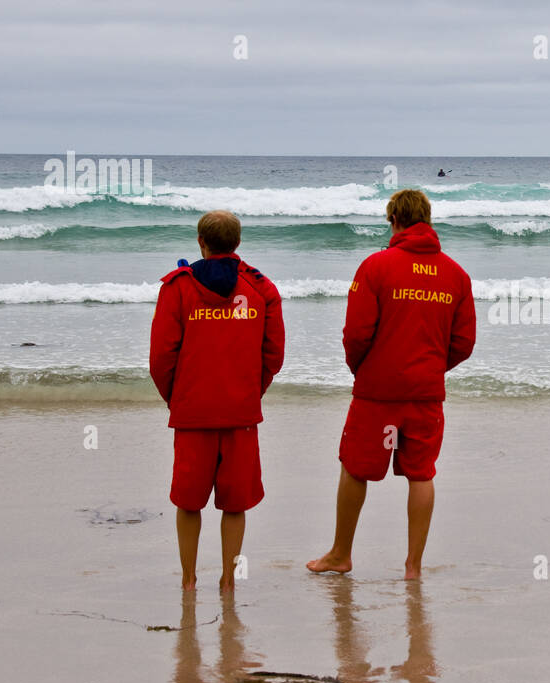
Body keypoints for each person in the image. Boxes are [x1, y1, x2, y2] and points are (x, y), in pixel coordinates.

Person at [307, 189, 475, 580]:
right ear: (427, 221)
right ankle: (413, 567)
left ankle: (340, 554)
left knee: (355, 468)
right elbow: (463, 343)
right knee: (422, 473)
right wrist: (432, 367)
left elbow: (356, 333)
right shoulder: (456, 274)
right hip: (426, 392)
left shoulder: (375, 266)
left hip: (377, 391)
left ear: (394, 220)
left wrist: (362, 369)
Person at [150, 210, 285, 592]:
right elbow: (273, 354)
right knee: (234, 503)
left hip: (193, 413)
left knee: (189, 502)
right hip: (240, 412)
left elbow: (161, 357)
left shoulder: (178, 287)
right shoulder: (261, 289)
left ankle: (189, 580)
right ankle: (228, 580)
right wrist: (249, 391)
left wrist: (177, 399)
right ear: (238, 244)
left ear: (200, 242)